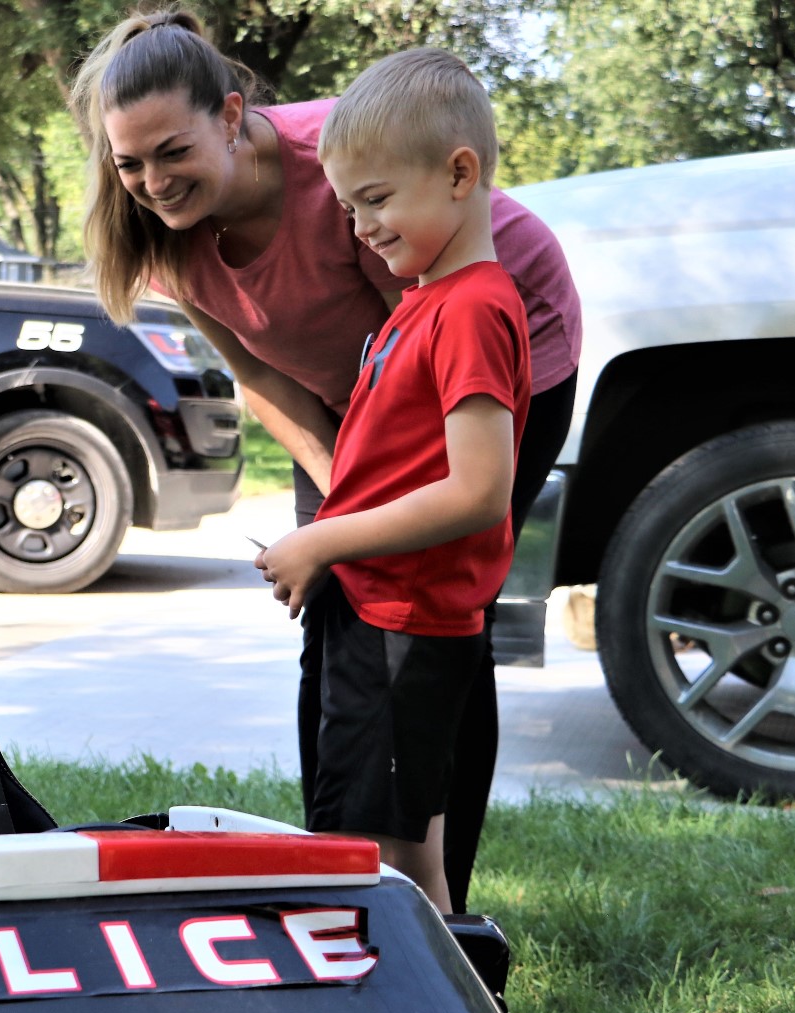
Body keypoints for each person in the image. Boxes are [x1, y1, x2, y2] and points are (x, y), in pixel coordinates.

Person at [72, 8, 582, 913]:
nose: (151, 182)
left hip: (498, 369)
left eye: (172, 152)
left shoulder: (347, 179)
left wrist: (344, 528)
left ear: (231, 117)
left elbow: (427, 343)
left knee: (429, 622)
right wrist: (335, 519)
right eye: (129, 163)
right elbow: (256, 368)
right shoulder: (163, 231)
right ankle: (344, 865)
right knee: (343, 619)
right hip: (368, 394)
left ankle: (435, 906)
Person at [254, 47, 531, 913]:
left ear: (460, 174)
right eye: (346, 207)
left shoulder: (474, 309)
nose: (361, 227)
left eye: (375, 200)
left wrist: (323, 538)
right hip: (371, 612)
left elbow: (479, 489)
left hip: (404, 628)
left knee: (386, 858)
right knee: (399, 844)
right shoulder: (424, 300)